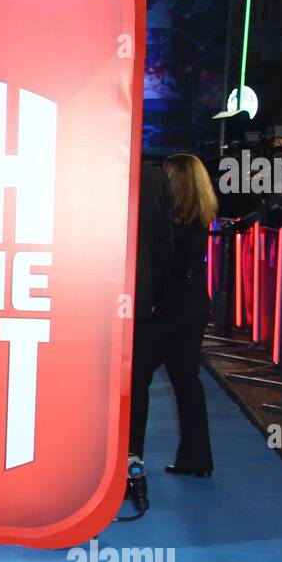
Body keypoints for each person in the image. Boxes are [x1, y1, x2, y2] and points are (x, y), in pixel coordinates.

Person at [129, 153, 217, 483]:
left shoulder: (165, 224)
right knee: (187, 384)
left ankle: (131, 463)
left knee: (137, 384)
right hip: (193, 307)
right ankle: (197, 458)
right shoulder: (202, 220)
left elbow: (161, 265)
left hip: (162, 311)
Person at [125, 162, 174, 514]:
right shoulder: (153, 176)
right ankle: (131, 468)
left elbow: (161, 243)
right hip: (138, 302)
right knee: (134, 388)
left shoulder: (77, 152)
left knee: (130, 388)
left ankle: (127, 468)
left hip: (92, 303)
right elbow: (163, 243)